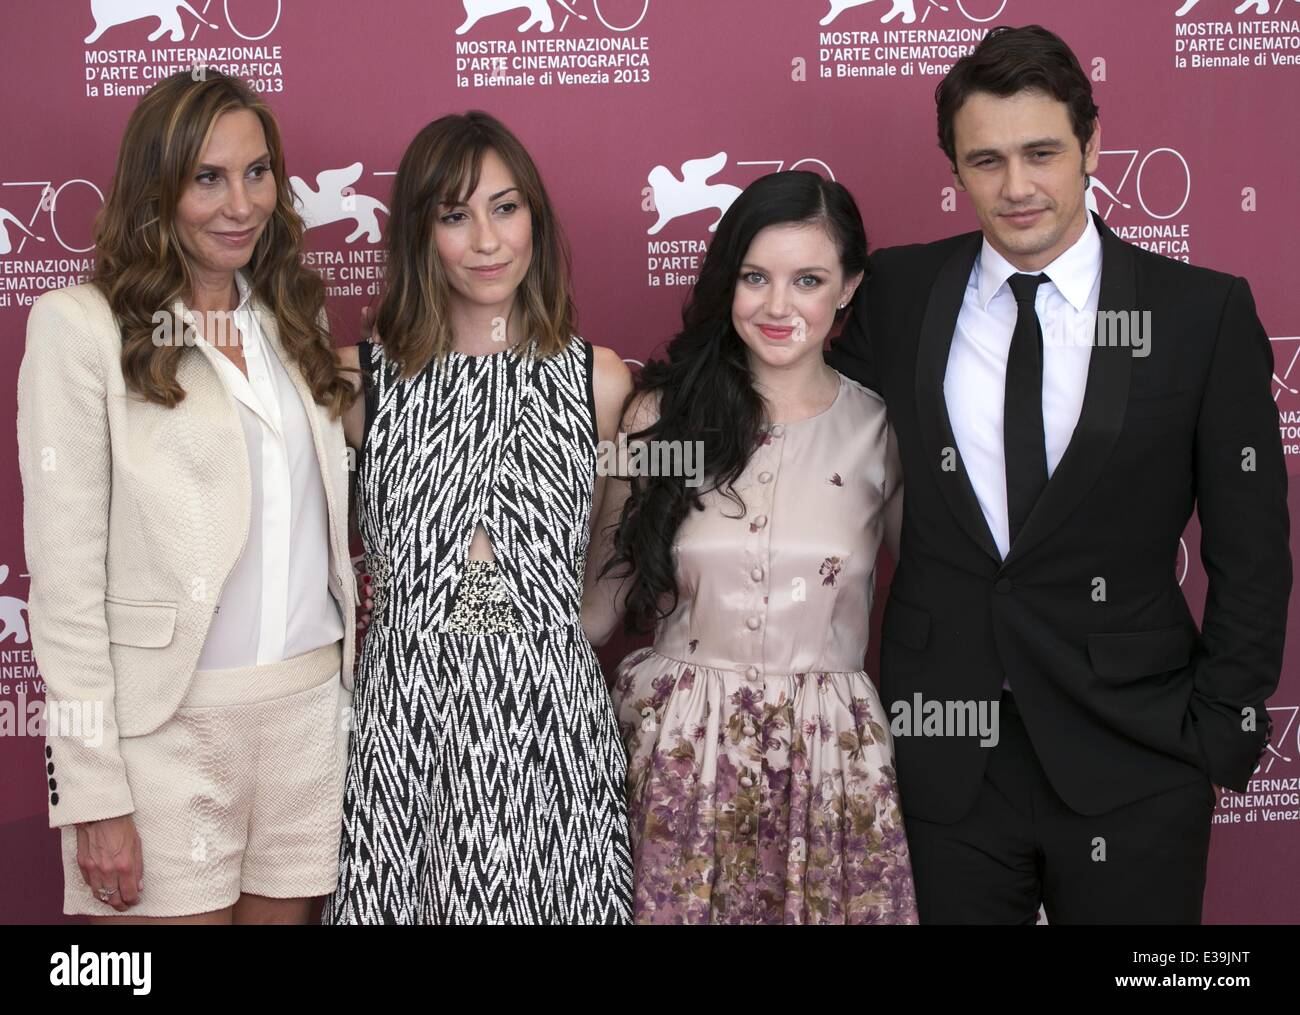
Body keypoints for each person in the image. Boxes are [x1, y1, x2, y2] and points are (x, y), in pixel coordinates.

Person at [827, 25, 1291, 923]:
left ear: (1091, 145)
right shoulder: (899, 294)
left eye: (1040, 152)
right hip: (945, 754)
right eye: (986, 160)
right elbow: (792, 407)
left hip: (1138, 750)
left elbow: (1252, 553)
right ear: (956, 170)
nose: (1016, 186)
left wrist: (1218, 735)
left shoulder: (1198, 313)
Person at [16, 70, 360, 923]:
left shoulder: (293, 318)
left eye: (257, 172)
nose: (241, 204)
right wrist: (91, 790)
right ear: (156, 188)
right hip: (165, 729)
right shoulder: (80, 327)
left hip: (307, 716)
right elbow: (64, 585)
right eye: (208, 178)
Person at [324, 111, 634, 924]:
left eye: (506, 207)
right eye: (455, 215)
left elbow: (610, 554)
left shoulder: (598, 381)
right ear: (419, 234)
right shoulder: (357, 385)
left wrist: (550, 636)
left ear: (536, 216)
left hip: (550, 724)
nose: (487, 241)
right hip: (406, 721)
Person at [584, 171, 919, 924]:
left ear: (849, 287)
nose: (777, 306)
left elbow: (940, 596)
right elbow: (596, 610)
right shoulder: (658, 416)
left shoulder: (884, 429)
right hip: (676, 751)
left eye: (808, 280)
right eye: (755, 277)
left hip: (830, 763)